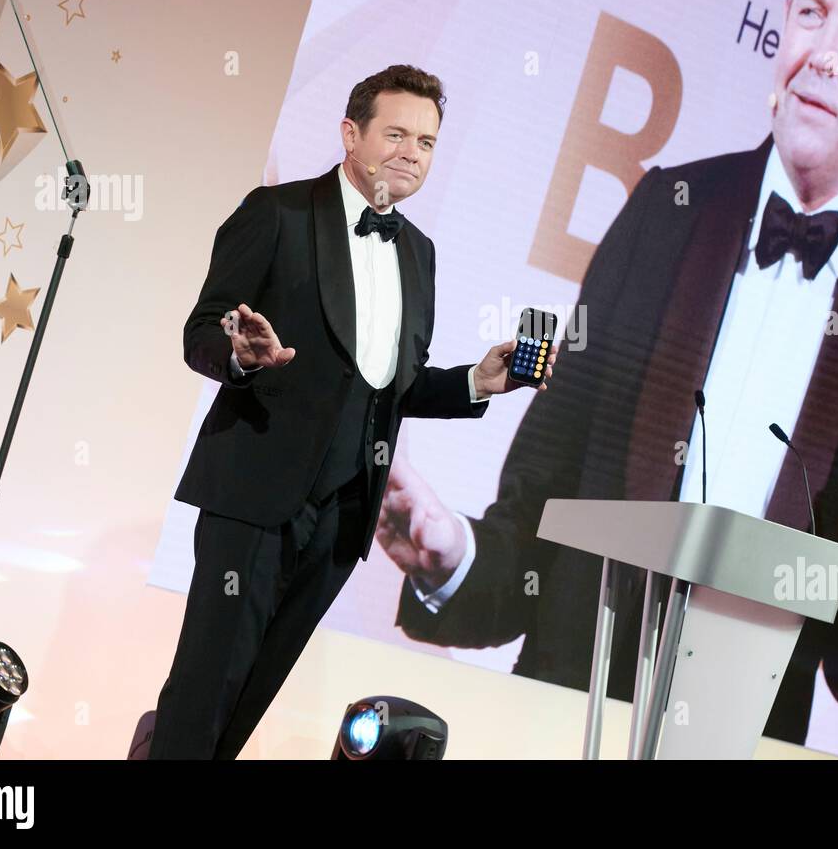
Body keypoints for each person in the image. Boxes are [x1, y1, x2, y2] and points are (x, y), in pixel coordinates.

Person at [378, 0, 838, 746]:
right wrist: (451, 558)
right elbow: (537, 519)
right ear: (783, 12)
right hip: (564, 724)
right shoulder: (663, 211)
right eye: (809, 11)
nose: (821, 57)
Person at [149, 64, 555, 758]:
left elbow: (389, 385)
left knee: (251, 690)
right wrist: (242, 355)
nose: (410, 153)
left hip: (342, 519)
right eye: (395, 133)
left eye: (425, 142)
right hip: (254, 499)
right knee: (203, 688)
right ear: (350, 133)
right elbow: (203, 332)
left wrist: (476, 384)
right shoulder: (276, 213)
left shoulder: (419, 254)